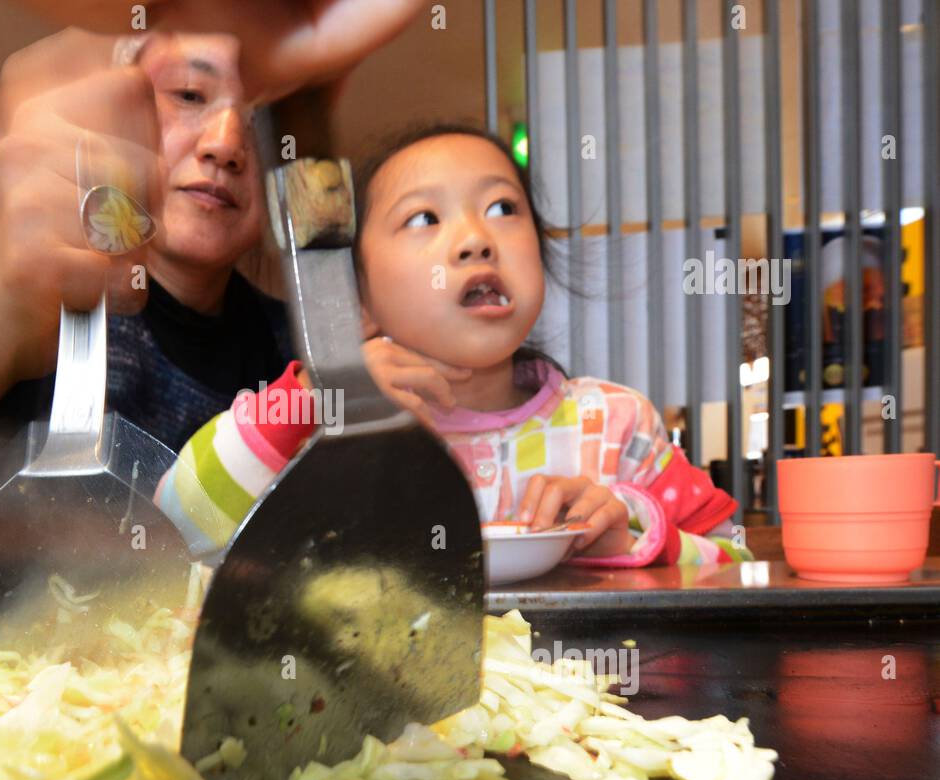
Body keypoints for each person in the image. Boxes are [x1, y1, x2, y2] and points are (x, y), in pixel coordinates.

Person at [0, 2, 426, 545]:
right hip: (17, 669)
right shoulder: (33, 273)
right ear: (118, 104)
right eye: (189, 94)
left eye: (263, 117)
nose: (225, 142)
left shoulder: (295, 347)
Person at [157, 123, 753, 567]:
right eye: (424, 219)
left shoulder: (617, 425)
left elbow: (738, 561)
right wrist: (312, 396)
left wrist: (637, 530)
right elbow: (180, 527)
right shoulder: (329, 428)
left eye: (502, 208)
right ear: (355, 300)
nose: (475, 239)